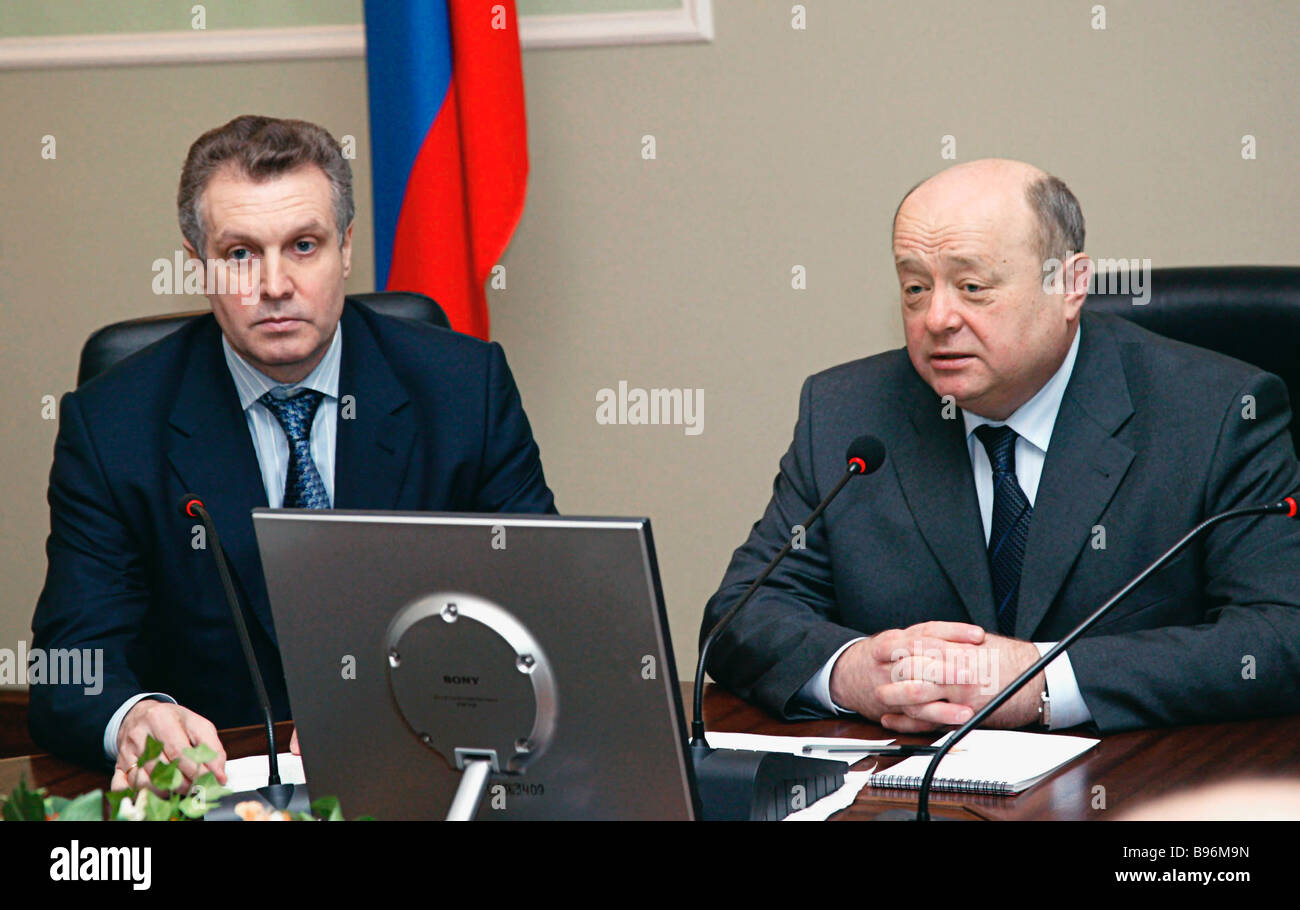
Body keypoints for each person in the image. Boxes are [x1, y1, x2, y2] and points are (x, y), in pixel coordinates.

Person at [29, 115, 556, 791]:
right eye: (241, 254)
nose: (274, 285)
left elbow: (537, 605)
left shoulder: (463, 390)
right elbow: (73, 662)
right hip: (218, 788)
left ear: (347, 247)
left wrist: (416, 698)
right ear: (198, 263)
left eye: (303, 246)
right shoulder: (112, 426)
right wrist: (134, 716)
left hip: (424, 774)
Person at [701, 158, 1300, 736]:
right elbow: (740, 616)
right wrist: (854, 671)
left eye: (971, 286)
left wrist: (1039, 683)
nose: (936, 317)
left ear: (1070, 284)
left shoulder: (1217, 412)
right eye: (914, 287)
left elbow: (1280, 634)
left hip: (1141, 793)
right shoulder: (846, 414)